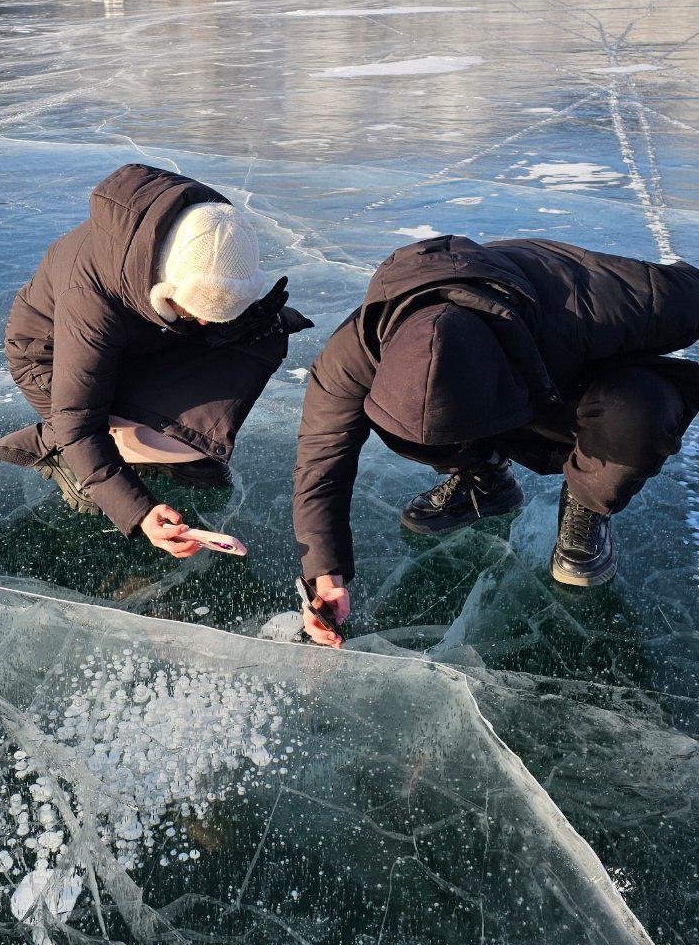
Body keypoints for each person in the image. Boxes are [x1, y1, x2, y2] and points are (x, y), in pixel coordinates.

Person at [294, 234, 699, 646]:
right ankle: (485, 478)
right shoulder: (356, 350)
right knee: (406, 421)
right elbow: (321, 463)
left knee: (636, 411)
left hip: (574, 370)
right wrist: (325, 574)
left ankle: (587, 503)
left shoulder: (600, 302)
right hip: (512, 384)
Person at [0, 164, 310, 557]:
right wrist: (137, 510)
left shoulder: (211, 235)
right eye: (194, 311)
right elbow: (78, 419)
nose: (204, 322)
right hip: (49, 362)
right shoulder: (90, 300)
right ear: (165, 285)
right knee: (83, 438)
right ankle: (67, 460)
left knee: (256, 335)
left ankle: (152, 442)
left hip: (140, 341)